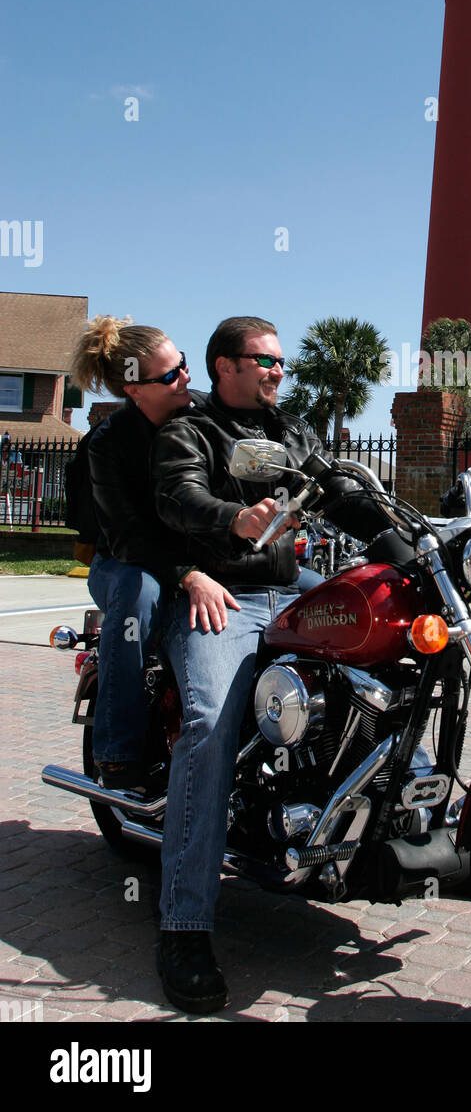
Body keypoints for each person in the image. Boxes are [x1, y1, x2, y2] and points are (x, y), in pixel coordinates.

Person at [150, 316, 322, 1013]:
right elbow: (178, 494)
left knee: (392, 655)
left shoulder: (293, 432)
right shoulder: (189, 430)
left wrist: (416, 541)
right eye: (265, 361)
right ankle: (184, 924)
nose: (278, 371)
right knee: (210, 724)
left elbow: (339, 490)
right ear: (225, 365)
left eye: (282, 361)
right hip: (221, 593)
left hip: (291, 588)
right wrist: (233, 518)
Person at [70, 318, 240, 791]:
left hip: (200, 559)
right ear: (135, 389)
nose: (185, 377)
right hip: (125, 563)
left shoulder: (205, 412)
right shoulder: (108, 445)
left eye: (182, 364)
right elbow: (128, 538)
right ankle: (117, 751)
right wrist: (188, 576)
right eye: (169, 375)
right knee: (139, 595)